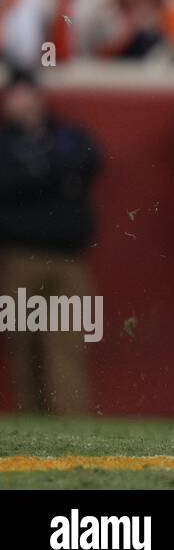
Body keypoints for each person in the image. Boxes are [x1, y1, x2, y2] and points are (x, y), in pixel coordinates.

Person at [0, 69, 100, 414]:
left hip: (68, 260)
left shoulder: (69, 134)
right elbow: (9, 182)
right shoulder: (7, 142)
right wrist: (53, 174)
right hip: (20, 259)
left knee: (66, 347)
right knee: (25, 351)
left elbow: (90, 161)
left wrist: (33, 172)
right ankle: (32, 423)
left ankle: (71, 426)